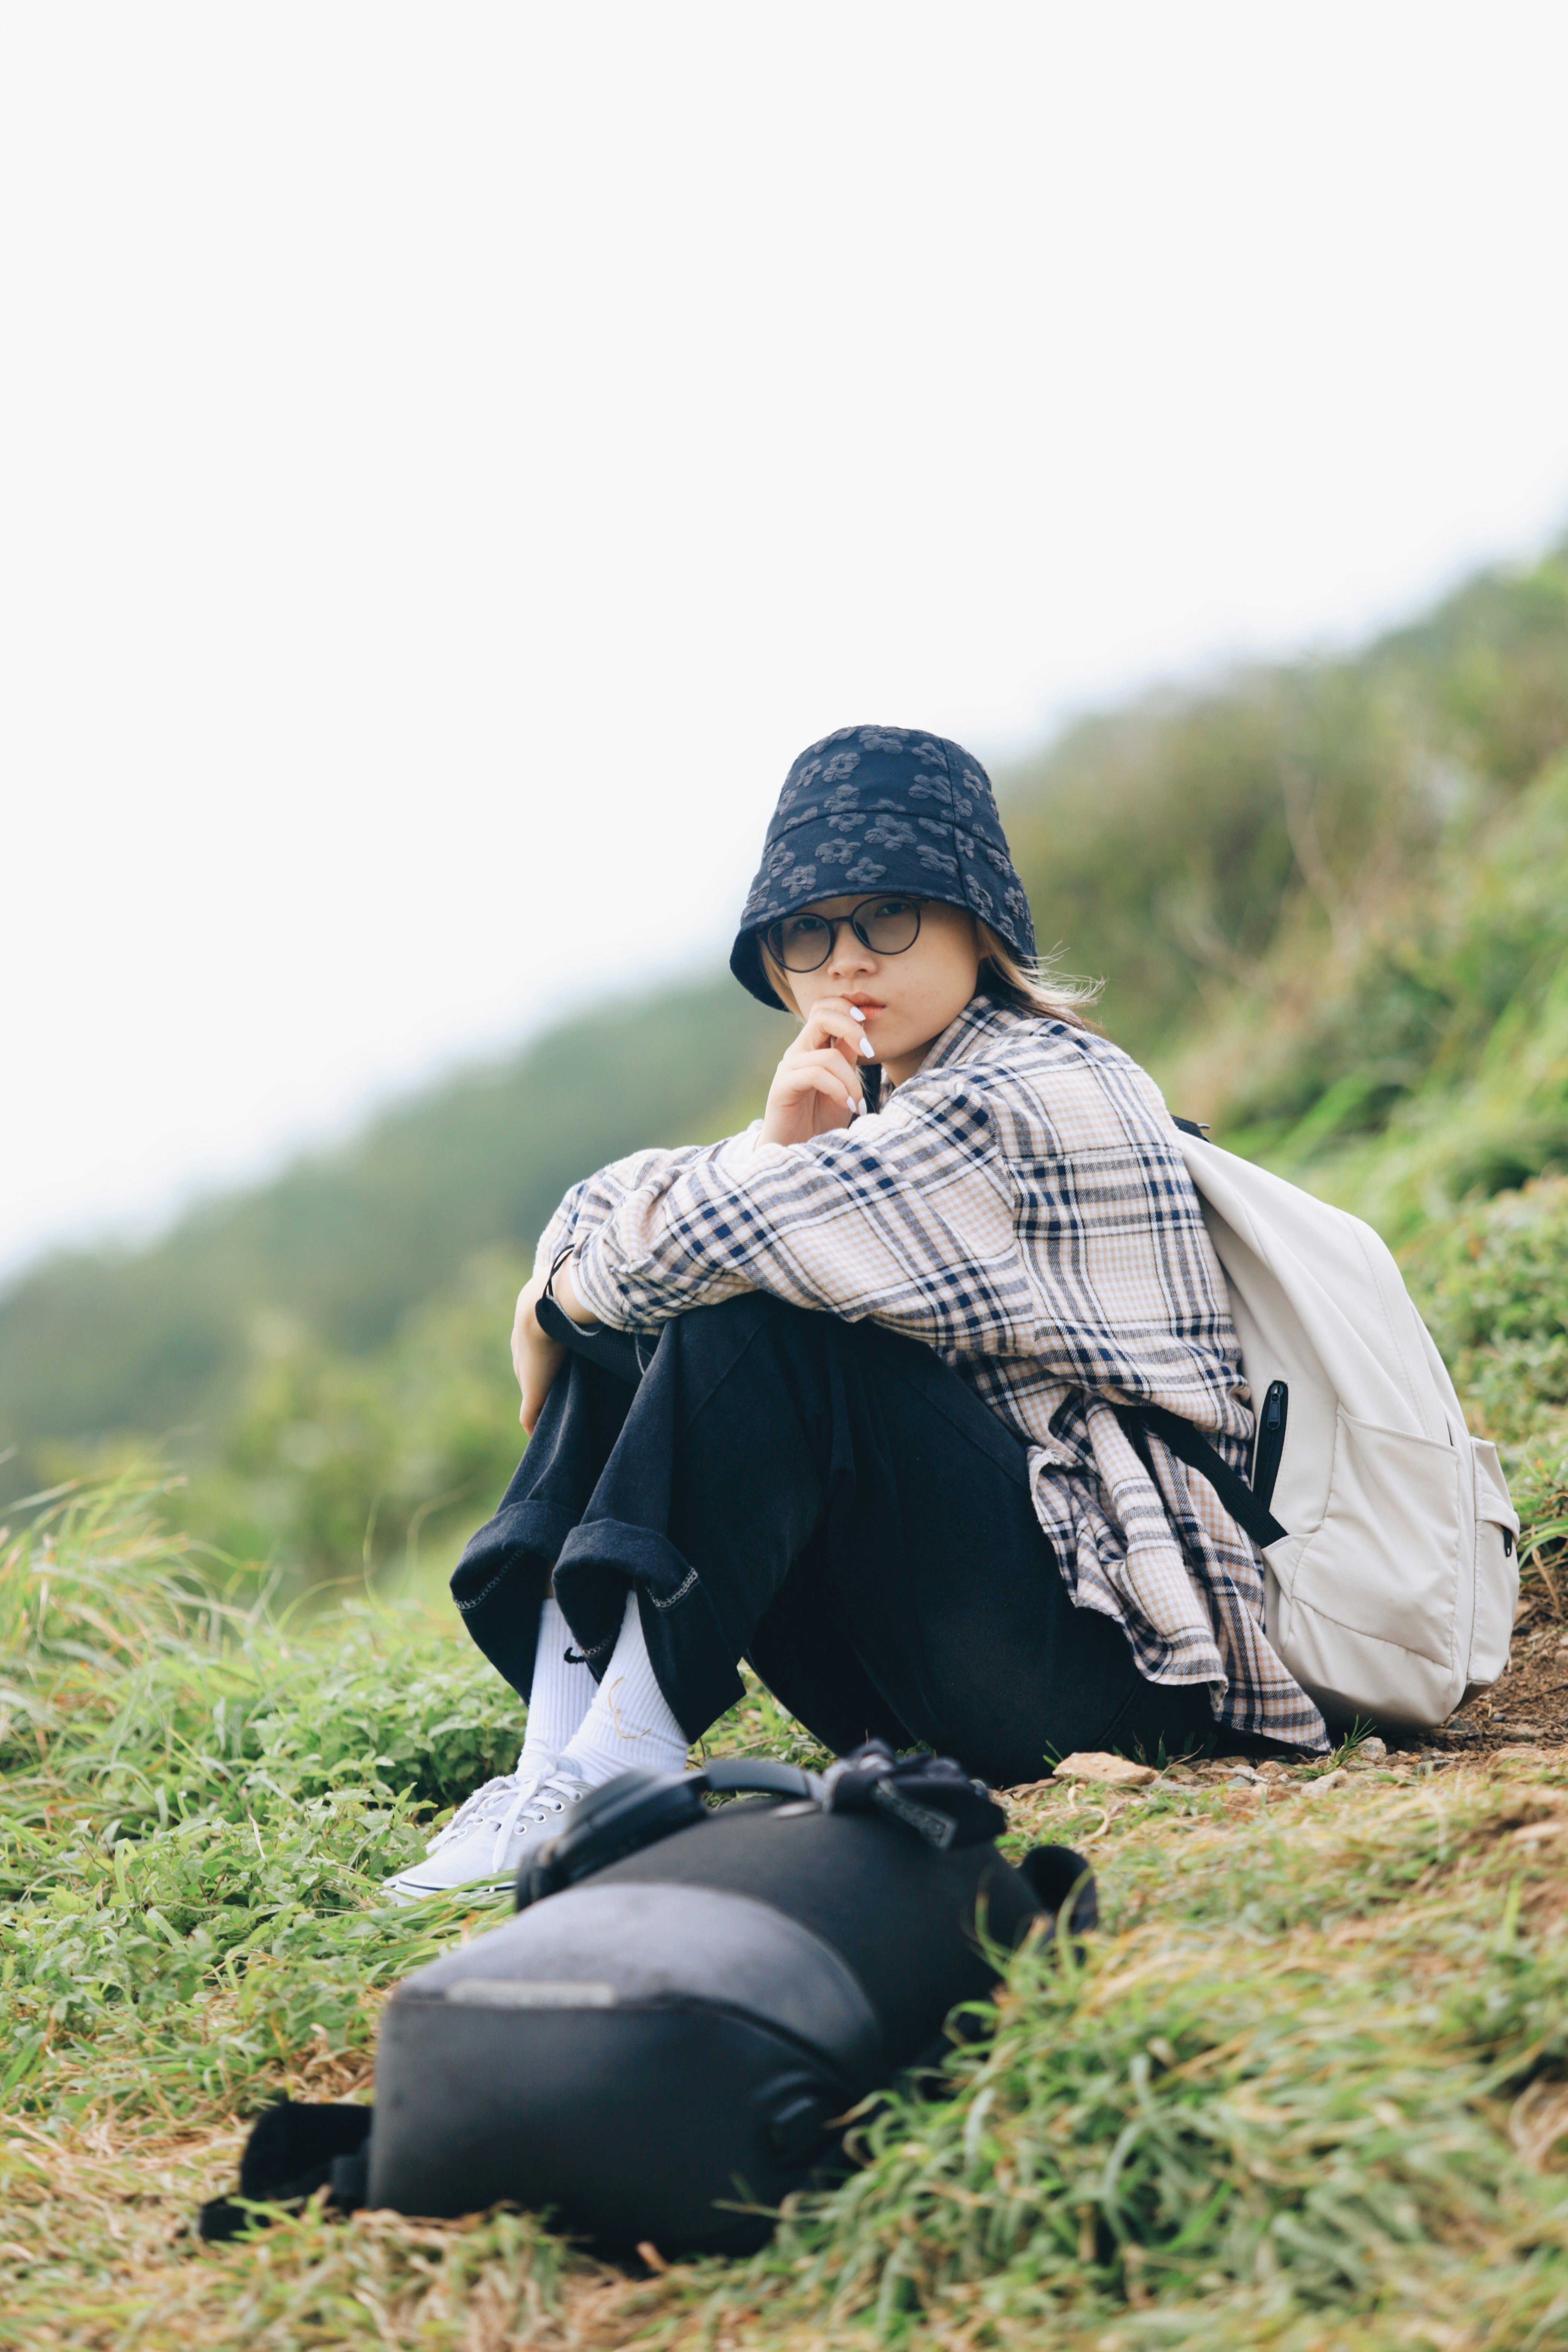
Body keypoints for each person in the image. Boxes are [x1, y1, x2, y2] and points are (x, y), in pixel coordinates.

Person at [384, 725, 1328, 1901]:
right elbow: (635, 1213)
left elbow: (679, 1238)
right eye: (808, 931)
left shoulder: (1032, 1086)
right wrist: (773, 1153)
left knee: (749, 1311)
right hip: (971, 1659)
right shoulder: (900, 1106)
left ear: (977, 922)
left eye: (888, 915)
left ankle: (615, 1763)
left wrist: (556, 1293)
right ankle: (565, 1761)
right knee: (701, 1291)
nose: (846, 961)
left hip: (1135, 1661)